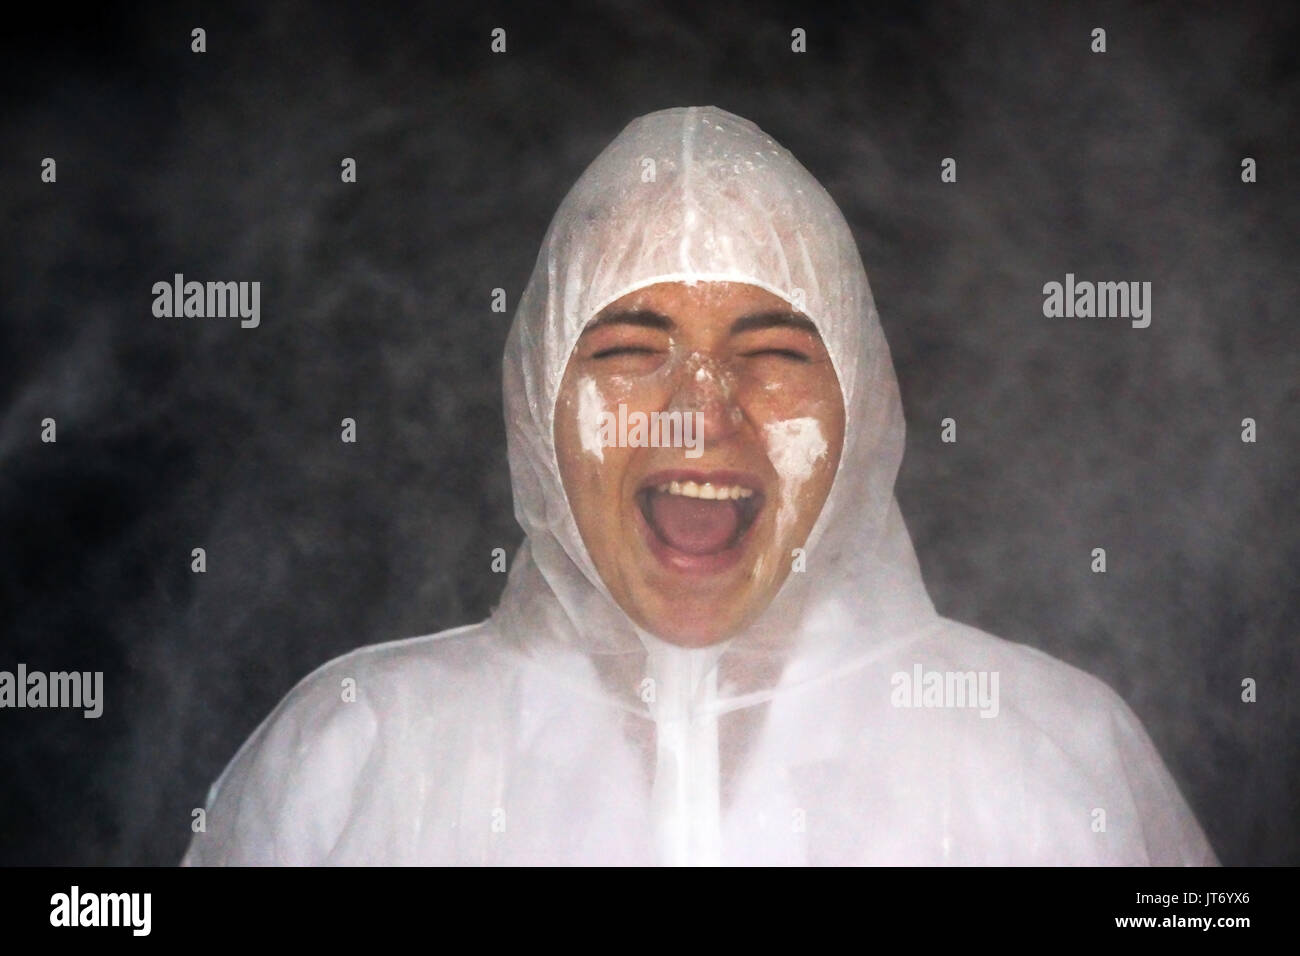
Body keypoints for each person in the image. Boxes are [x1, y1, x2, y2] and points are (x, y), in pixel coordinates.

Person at [182, 106, 1217, 865]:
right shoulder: (355, 750)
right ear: (538, 403)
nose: (702, 412)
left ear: (862, 407)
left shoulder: (1051, 748)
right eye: (632, 347)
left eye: (772, 352)